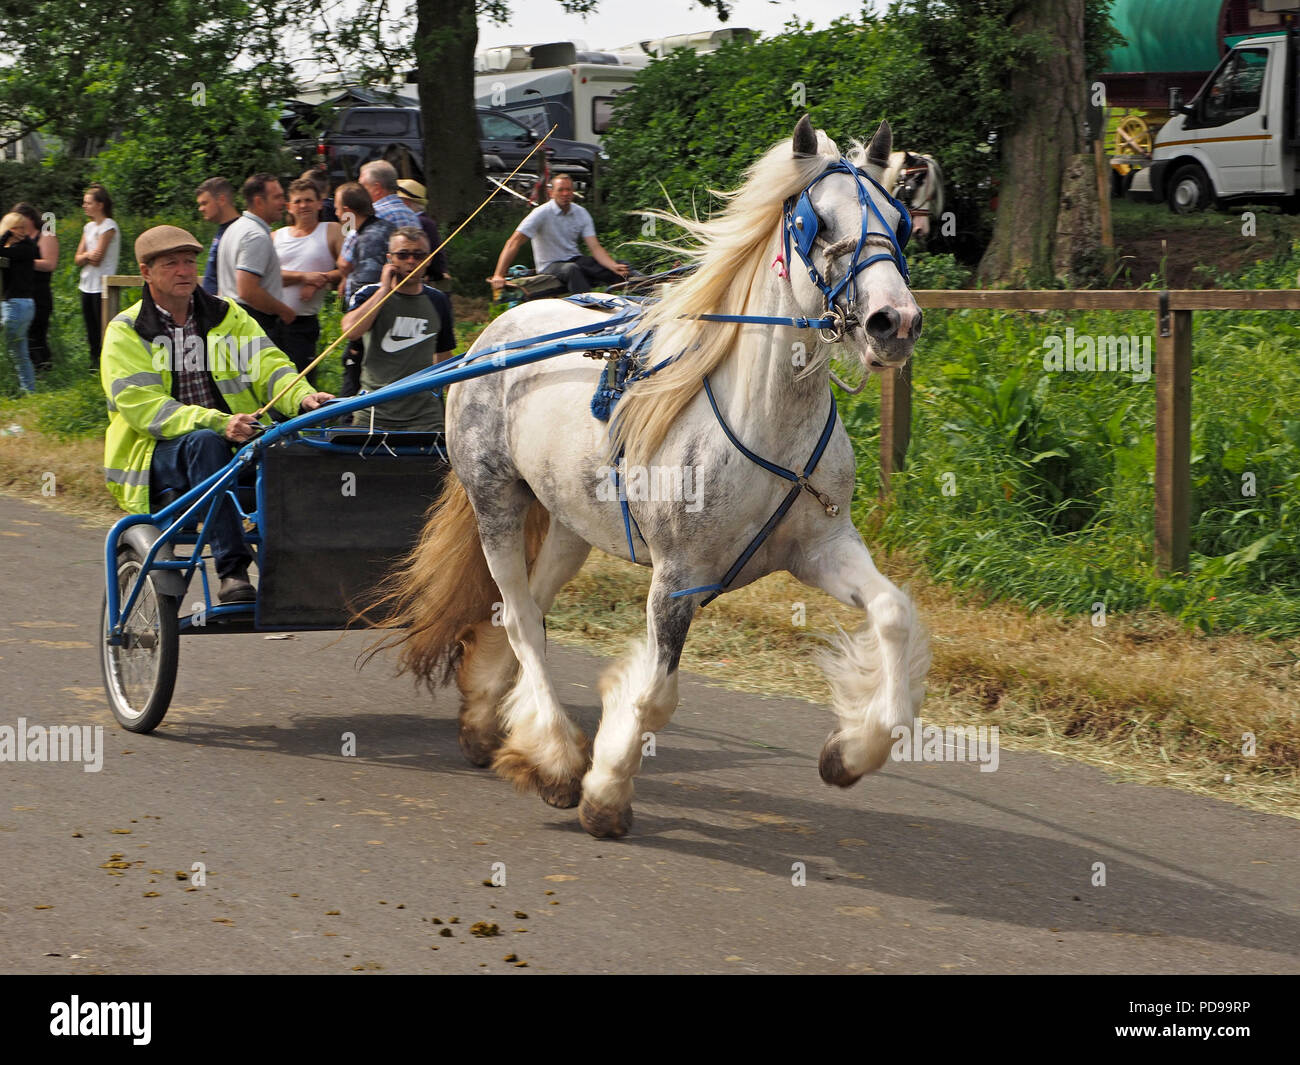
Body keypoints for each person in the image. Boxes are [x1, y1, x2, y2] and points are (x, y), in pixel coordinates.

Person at [100, 225, 332, 602]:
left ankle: (309, 575)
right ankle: (233, 572)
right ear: (146, 272)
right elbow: (144, 408)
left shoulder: (228, 315)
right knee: (205, 443)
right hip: (155, 456)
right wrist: (218, 423)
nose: (183, 271)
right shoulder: (126, 330)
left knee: (300, 449)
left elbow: (269, 366)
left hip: (233, 442)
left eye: (189, 262)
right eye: (171, 264)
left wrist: (304, 398)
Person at [340, 226, 453, 432]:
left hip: (426, 416)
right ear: (390, 259)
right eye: (403, 255)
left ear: (428, 260)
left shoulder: (438, 301)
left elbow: (444, 358)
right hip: (374, 411)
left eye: (418, 255)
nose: (411, 261)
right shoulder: (370, 294)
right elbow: (350, 331)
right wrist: (384, 290)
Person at [489, 173, 629, 294]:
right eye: (560, 190)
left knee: (620, 265)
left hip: (574, 259)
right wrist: (499, 275)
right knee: (572, 269)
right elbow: (514, 242)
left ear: (573, 192)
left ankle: (645, 289)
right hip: (550, 265)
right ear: (551, 193)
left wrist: (612, 265)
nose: (565, 194)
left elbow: (594, 247)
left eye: (568, 190)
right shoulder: (541, 213)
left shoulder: (580, 213)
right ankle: (588, 305)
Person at [273, 178, 343, 384]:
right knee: (271, 379)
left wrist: (320, 280)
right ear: (289, 207)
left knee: (301, 379)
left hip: (302, 322)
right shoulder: (276, 236)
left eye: (309, 200)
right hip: (271, 318)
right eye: (298, 201)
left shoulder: (332, 230)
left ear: (320, 203)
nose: (303, 205)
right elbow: (266, 276)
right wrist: (304, 277)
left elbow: (348, 268)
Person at [216, 172, 297, 346]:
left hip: (234, 323)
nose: (283, 203)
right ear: (259, 202)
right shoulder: (255, 235)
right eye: (277, 197)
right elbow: (247, 290)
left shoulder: (235, 228)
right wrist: (283, 311)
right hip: (255, 325)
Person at [334, 181, 395, 397]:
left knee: (351, 392)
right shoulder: (381, 227)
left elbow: (367, 290)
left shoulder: (370, 238)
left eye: (338, 209)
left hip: (370, 330)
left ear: (348, 212)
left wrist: (356, 341)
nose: (337, 214)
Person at [74, 183, 120, 368]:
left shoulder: (109, 226)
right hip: (87, 283)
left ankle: (108, 364)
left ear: (99, 205)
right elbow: (78, 258)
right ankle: (94, 365)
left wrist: (87, 256)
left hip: (103, 285)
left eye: (88, 203)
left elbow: (98, 258)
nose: (84, 206)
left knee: (104, 328)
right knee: (91, 328)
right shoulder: (88, 227)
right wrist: (86, 255)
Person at [12, 202, 57, 374]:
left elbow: (49, 263)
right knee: (22, 335)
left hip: (39, 293)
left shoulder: (46, 236)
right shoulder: (17, 238)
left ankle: (43, 371)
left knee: (37, 334)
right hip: (19, 293)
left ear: (29, 218)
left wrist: (23, 262)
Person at [0, 211, 38, 394]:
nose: (21, 231)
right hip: (24, 305)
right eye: (17, 228)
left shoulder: (23, 249)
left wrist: (6, 235)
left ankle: (18, 388)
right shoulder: (22, 249)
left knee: (14, 351)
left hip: (16, 306)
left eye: (23, 228)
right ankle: (29, 389)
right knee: (19, 353)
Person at [395, 178, 448, 283]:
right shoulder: (426, 221)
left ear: (406, 202)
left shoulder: (422, 222)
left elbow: (433, 253)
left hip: (426, 277)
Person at [195, 177, 240, 296]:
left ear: (221, 200)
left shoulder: (241, 232)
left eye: (204, 203)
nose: (201, 209)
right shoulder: (222, 229)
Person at [358, 160, 421, 230]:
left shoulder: (374, 215)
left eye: (362, 186)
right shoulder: (412, 215)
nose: (359, 190)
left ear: (377, 189)